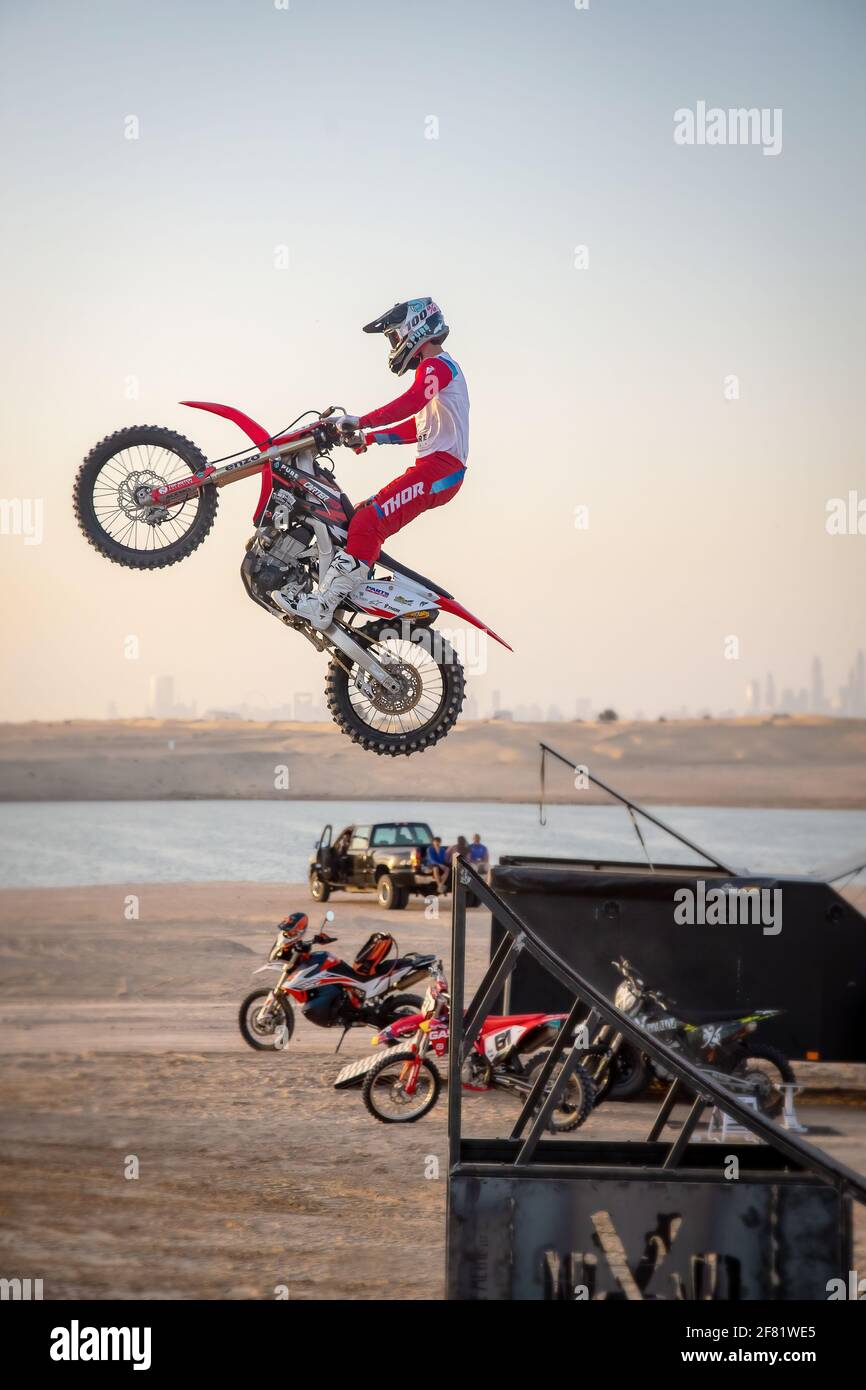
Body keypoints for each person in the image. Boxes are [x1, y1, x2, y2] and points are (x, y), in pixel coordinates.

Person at [287, 298, 469, 629]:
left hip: (441, 472)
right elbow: (416, 426)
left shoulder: (437, 366)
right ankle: (343, 592)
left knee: (370, 522)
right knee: (358, 516)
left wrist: (362, 421)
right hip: (435, 469)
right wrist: (368, 437)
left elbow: (411, 403)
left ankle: (324, 604)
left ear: (414, 330)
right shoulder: (441, 372)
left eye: (394, 337)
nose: (394, 346)